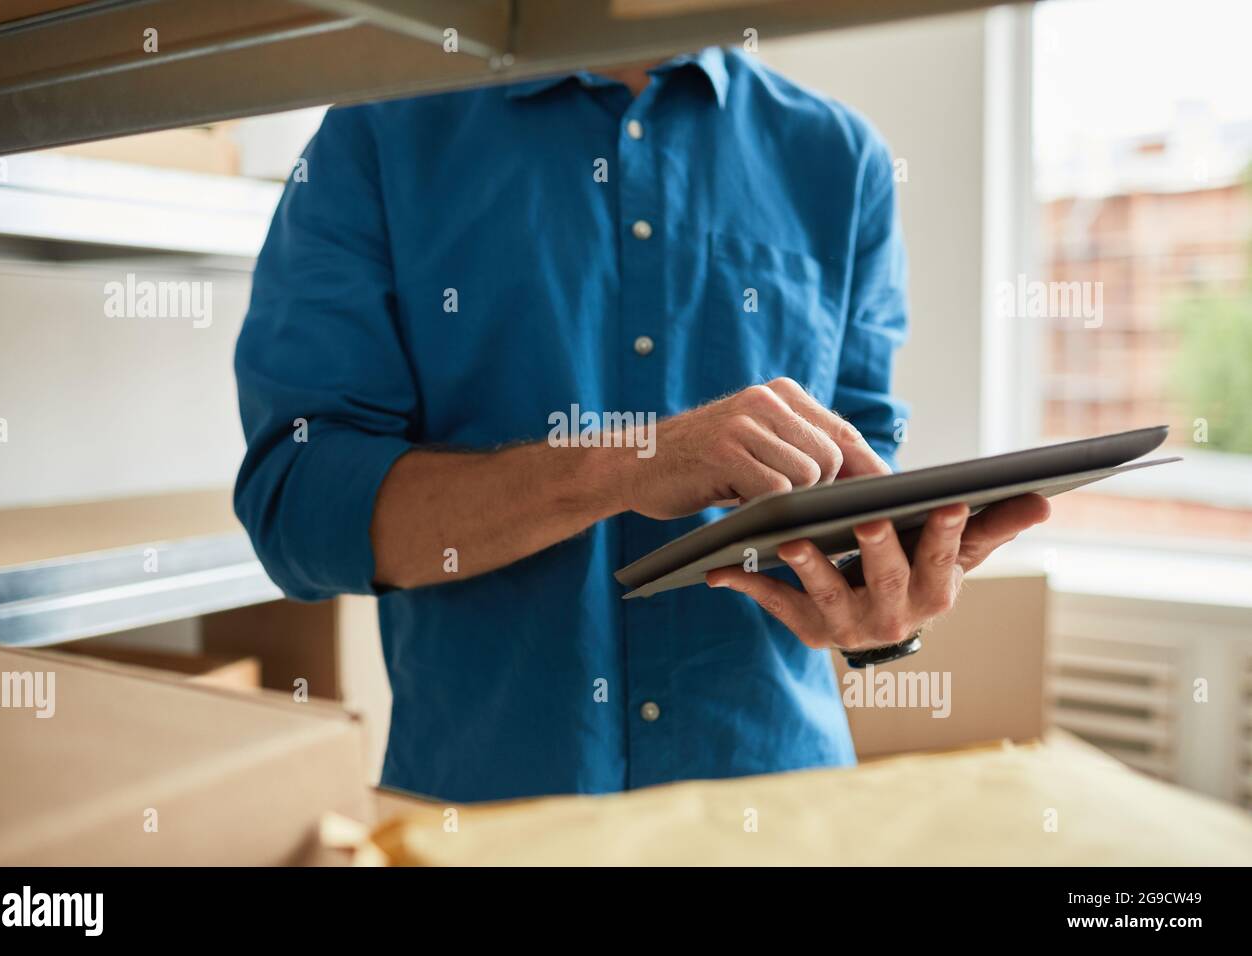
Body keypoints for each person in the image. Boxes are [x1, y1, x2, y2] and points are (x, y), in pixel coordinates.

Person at [234, 46, 1049, 802]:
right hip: (493, 828)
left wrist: (882, 611)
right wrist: (628, 464)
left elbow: (860, 483)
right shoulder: (380, 133)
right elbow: (300, 510)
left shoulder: (843, 160)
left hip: (777, 812)